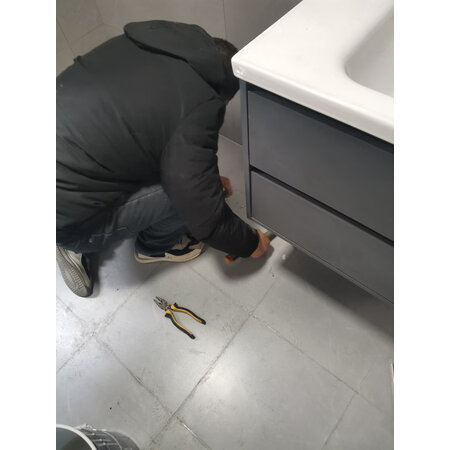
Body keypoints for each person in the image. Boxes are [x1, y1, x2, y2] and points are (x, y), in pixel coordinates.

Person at [56, 20, 270, 298]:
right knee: (187, 200)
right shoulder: (202, 103)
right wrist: (249, 243)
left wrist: (203, 177)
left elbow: (145, 129)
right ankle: (149, 248)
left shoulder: (147, 43)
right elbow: (203, 215)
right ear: (224, 96)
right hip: (62, 215)